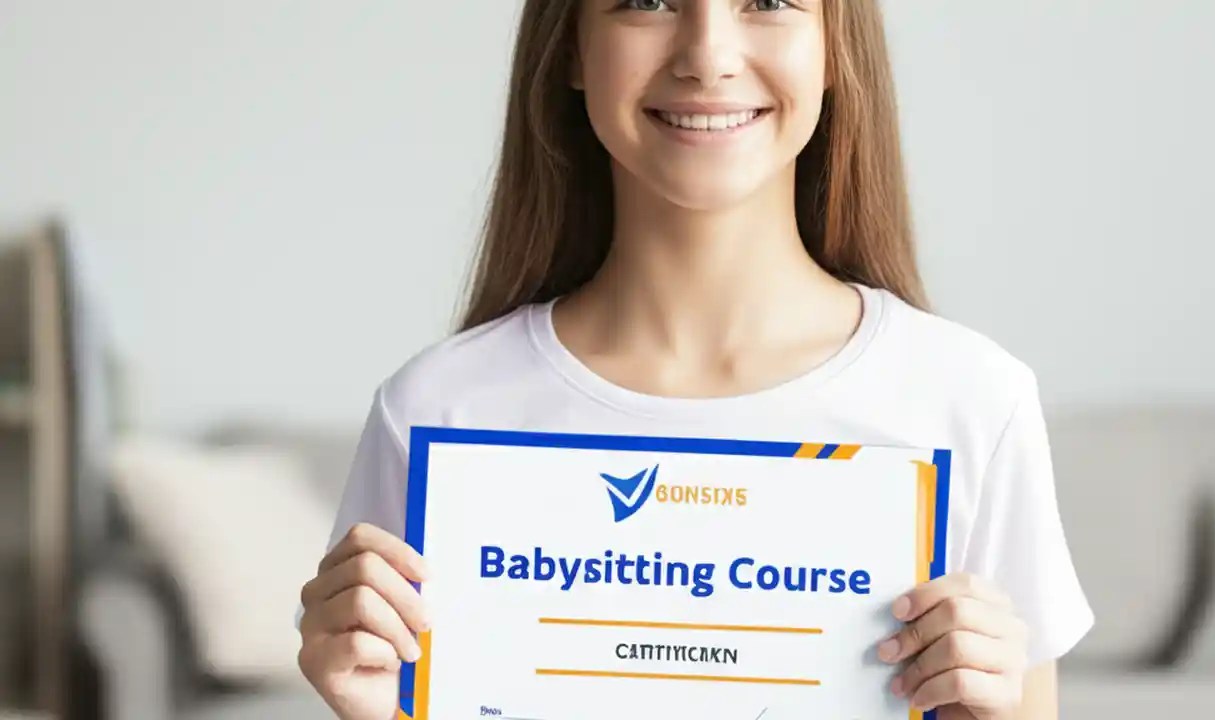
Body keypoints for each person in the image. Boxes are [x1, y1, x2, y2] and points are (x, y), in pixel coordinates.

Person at [296, 1, 1094, 718]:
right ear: (571, 47)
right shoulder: (438, 409)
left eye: (771, 1)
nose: (707, 55)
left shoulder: (971, 400)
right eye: (646, 0)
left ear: (834, 46)